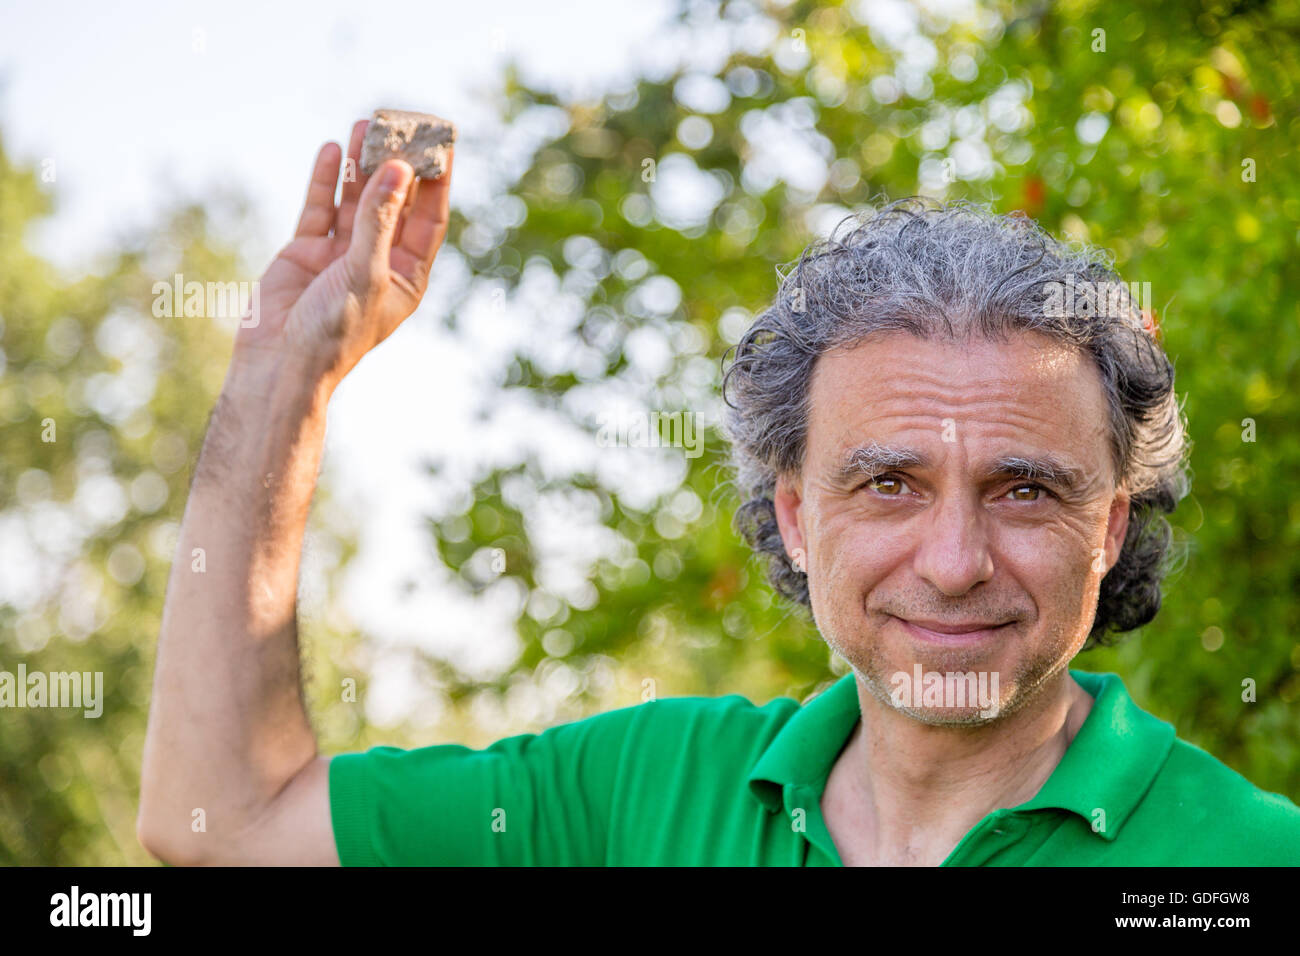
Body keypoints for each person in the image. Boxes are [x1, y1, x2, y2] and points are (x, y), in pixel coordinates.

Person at [137, 120, 1300, 866]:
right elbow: (221, 823)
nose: (953, 559)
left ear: (1107, 525)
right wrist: (280, 381)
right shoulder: (635, 793)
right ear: (795, 514)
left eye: (1023, 489)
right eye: (888, 482)